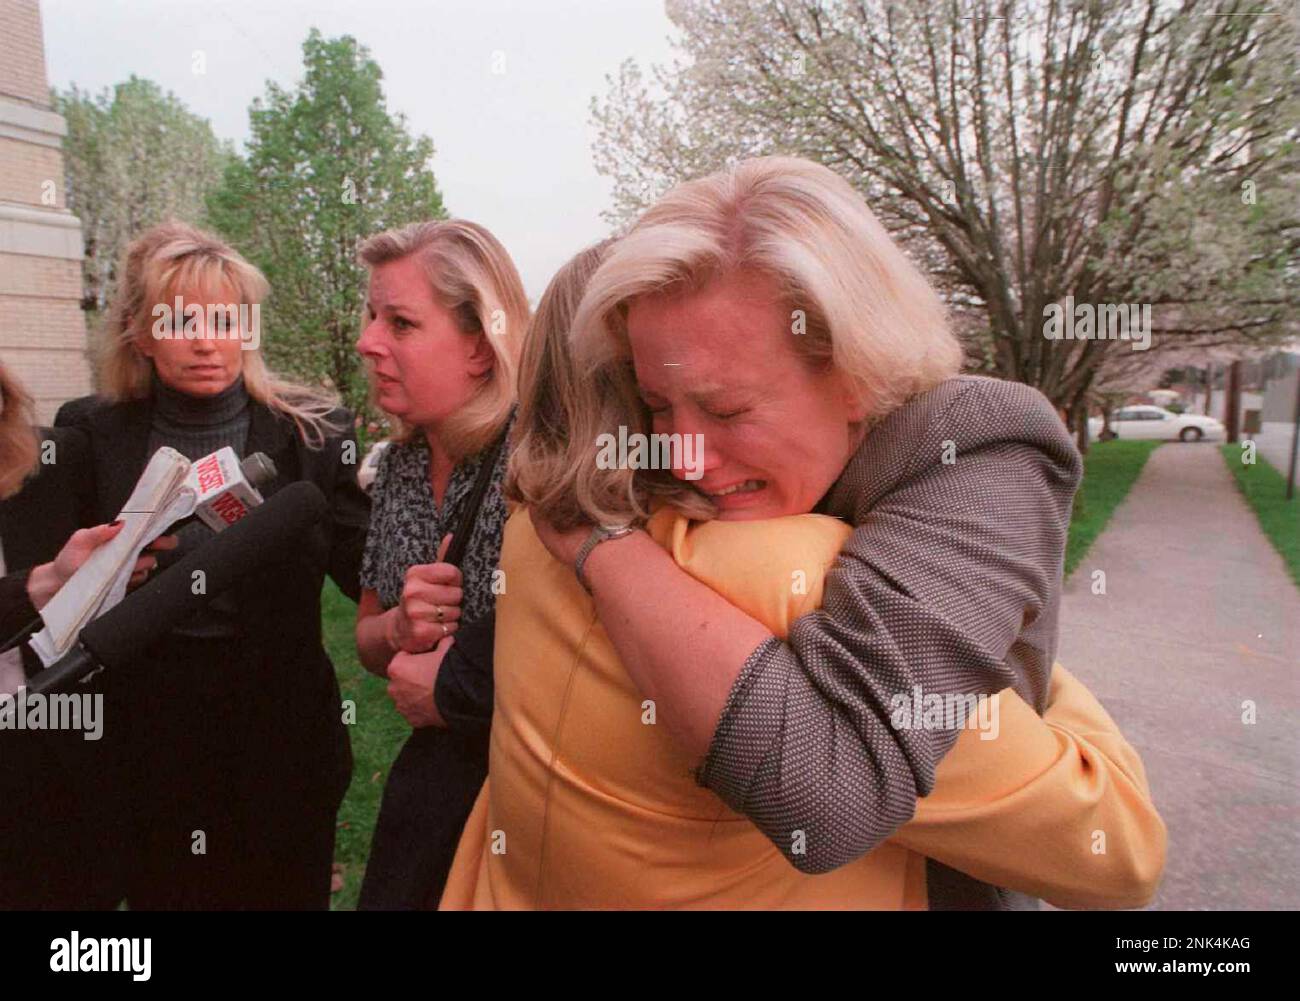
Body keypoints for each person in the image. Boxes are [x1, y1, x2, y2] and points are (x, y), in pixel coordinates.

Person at [439, 240, 1165, 909]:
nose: (688, 454)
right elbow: (1118, 850)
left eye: (726, 406)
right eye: (664, 404)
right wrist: (985, 623)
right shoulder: (798, 580)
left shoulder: (533, 540)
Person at [53, 220, 370, 909]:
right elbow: (50, 590)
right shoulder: (88, 433)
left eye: (225, 318)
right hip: (145, 733)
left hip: (281, 731)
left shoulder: (315, 431)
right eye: (181, 320)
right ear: (138, 332)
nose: (205, 339)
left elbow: (366, 569)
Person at [352, 219, 528, 909]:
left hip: (528, 807)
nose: (369, 342)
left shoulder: (540, 464)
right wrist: (398, 628)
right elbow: (367, 638)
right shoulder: (398, 466)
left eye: (400, 322)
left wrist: (451, 686)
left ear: (482, 346)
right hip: (435, 796)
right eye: (372, 316)